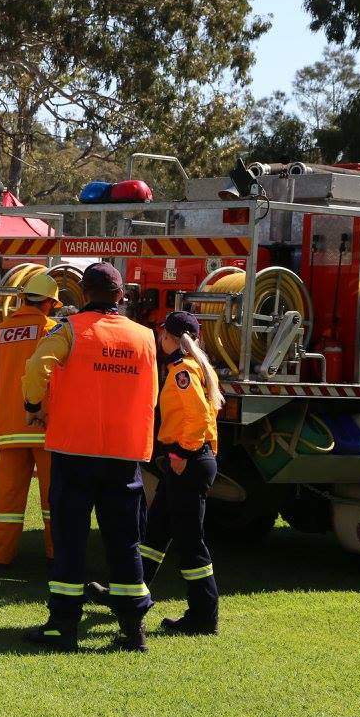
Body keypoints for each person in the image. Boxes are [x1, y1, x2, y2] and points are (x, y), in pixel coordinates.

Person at [21, 262, 158, 651]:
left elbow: (36, 369)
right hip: (124, 454)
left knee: (70, 538)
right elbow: (151, 394)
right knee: (125, 539)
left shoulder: (71, 329)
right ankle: (133, 631)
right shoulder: (145, 337)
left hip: (75, 450)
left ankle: (63, 626)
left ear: (84, 295)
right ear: (120, 295)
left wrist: (33, 404)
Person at [137, 310, 223, 634]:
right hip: (186, 460)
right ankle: (133, 594)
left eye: (162, 334)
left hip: (188, 460)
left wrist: (183, 453)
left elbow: (198, 417)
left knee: (190, 542)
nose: (160, 338)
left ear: (172, 338)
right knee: (156, 530)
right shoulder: (190, 367)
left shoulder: (182, 372)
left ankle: (203, 616)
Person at [0, 271, 61, 565]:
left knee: (8, 503)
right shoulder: (54, 330)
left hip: (9, 430)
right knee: (54, 501)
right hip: (47, 429)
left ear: (23, 299)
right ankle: (56, 555)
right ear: (49, 303)